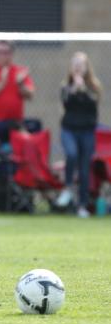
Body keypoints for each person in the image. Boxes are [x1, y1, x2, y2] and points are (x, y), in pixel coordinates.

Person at [57, 52, 101, 218]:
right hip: (69, 129)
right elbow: (66, 103)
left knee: (84, 169)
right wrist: (75, 88)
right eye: (74, 63)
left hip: (87, 131)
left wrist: (83, 89)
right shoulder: (66, 86)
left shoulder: (94, 87)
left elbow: (92, 105)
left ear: (86, 67)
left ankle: (82, 205)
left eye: (80, 64)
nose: (77, 67)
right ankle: (67, 188)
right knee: (71, 154)